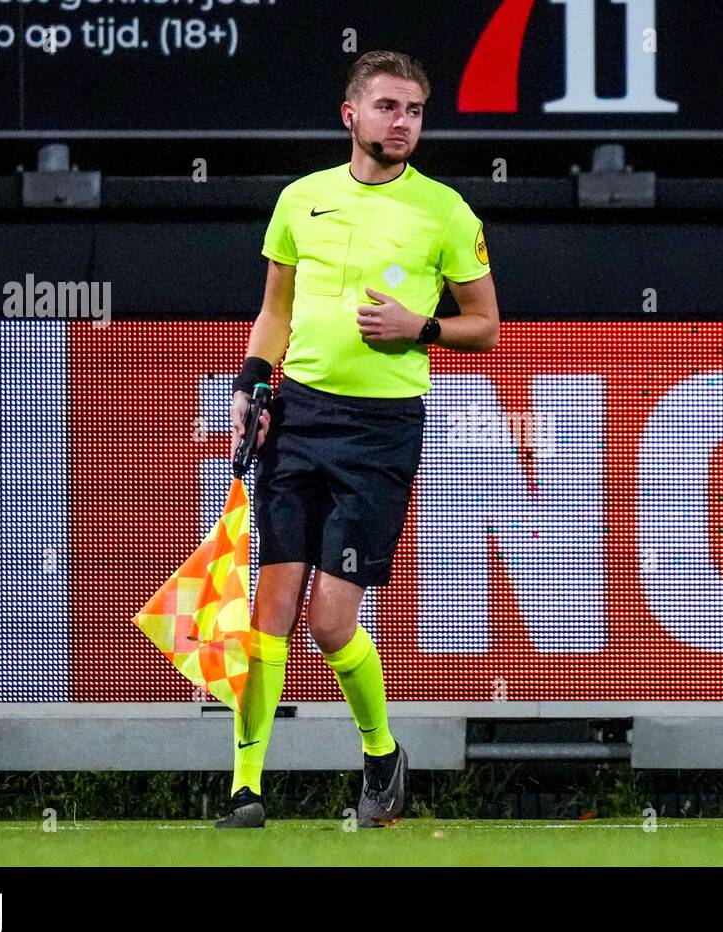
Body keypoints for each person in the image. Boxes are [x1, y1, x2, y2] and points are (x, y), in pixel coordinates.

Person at [218, 50, 500, 828]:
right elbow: (275, 310)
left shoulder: (445, 211)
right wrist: (251, 384)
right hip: (297, 415)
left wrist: (424, 327)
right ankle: (246, 787)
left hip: (379, 432)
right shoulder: (300, 200)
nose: (402, 122)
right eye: (387, 107)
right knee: (269, 605)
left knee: (329, 623)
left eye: (413, 110)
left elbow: (487, 326)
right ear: (352, 115)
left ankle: (381, 753)